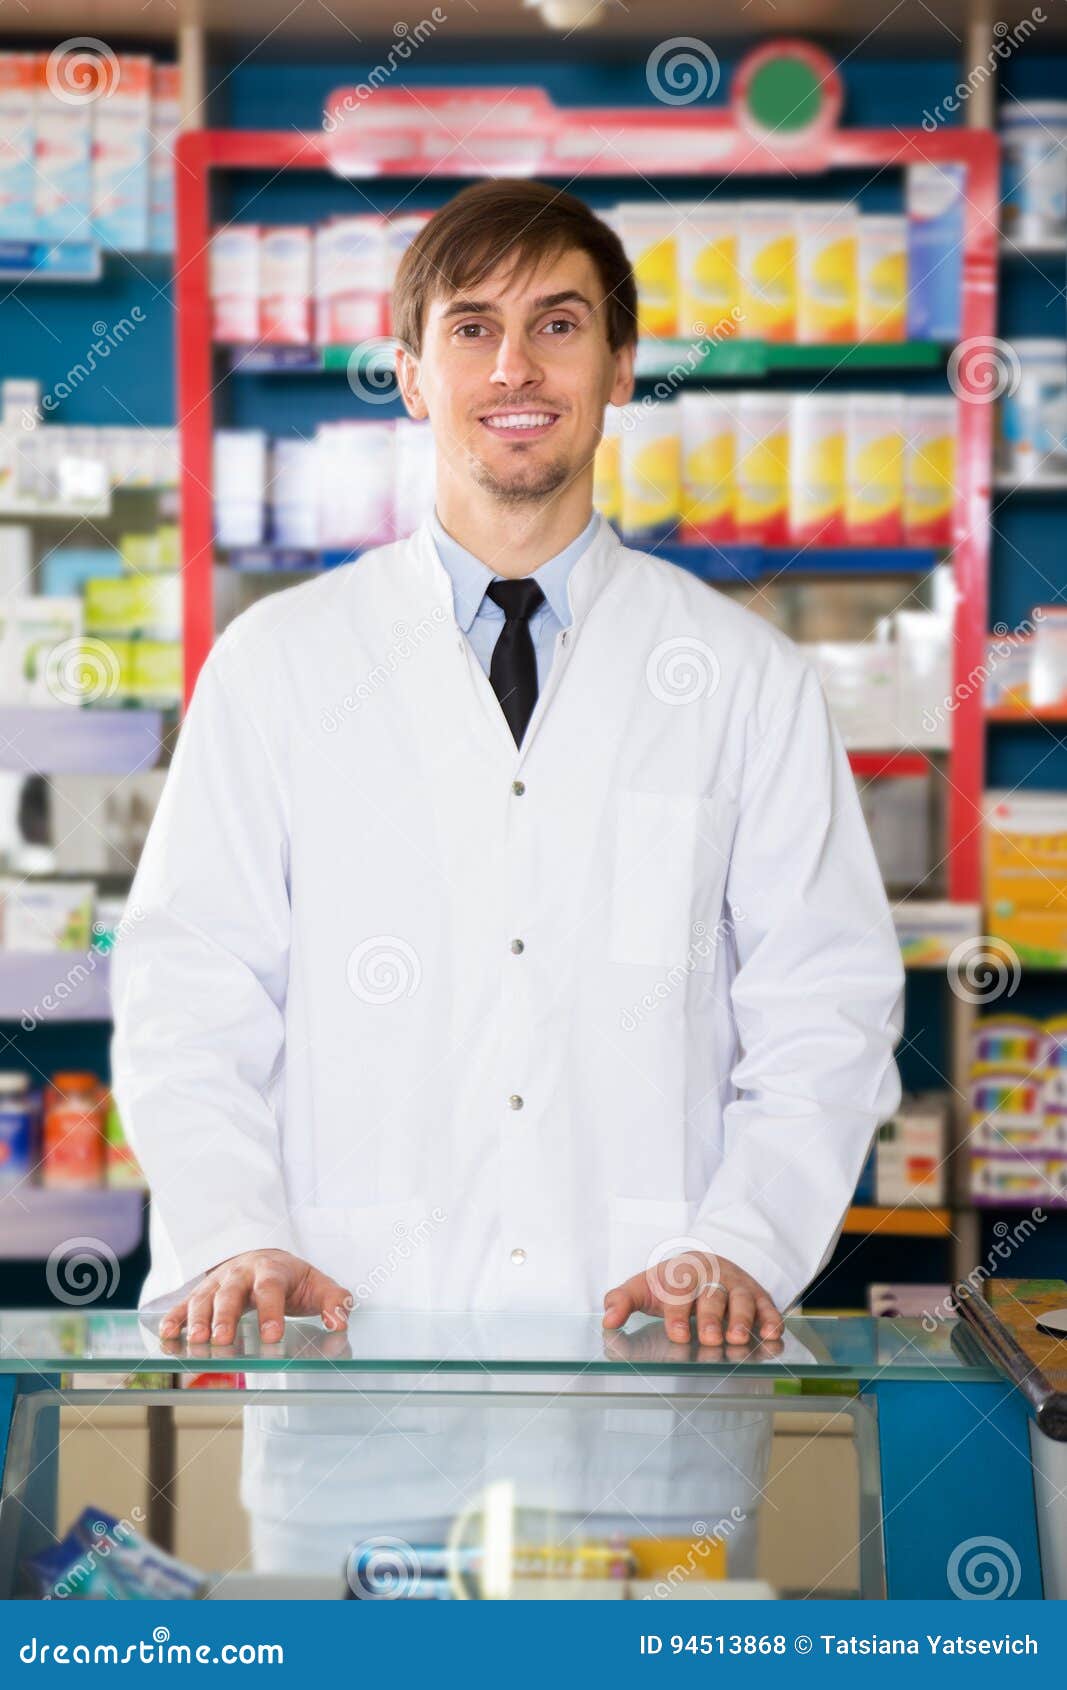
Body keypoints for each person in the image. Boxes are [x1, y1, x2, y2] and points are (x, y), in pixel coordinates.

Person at [111, 179, 904, 1577]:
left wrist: (738, 1247)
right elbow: (189, 996)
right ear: (410, 370)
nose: (515, 368)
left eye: (558, 324)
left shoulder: (742, 677)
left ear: (620, 361)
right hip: (356, 1382)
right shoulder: (280, 667)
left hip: (647, 1395)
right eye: (470, 327)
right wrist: (238, 1234)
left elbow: (826, 1014)